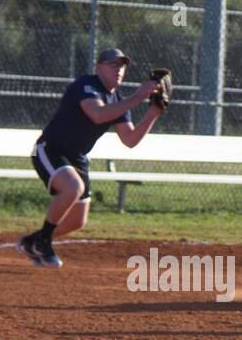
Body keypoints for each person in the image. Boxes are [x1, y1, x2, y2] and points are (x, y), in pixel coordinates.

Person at [17, 48, 162, 268]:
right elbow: (97, 114)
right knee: (73, 187)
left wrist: (153, 113)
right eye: (113, 65)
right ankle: (44, 243)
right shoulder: (86, 85)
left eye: (122, 66)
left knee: (77, 220)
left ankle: (33, 240)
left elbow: (130, 139)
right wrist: (138, 97)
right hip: (49, 148)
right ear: (99, 66)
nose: (119, 70)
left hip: (77, 157)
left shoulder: (117, 99)